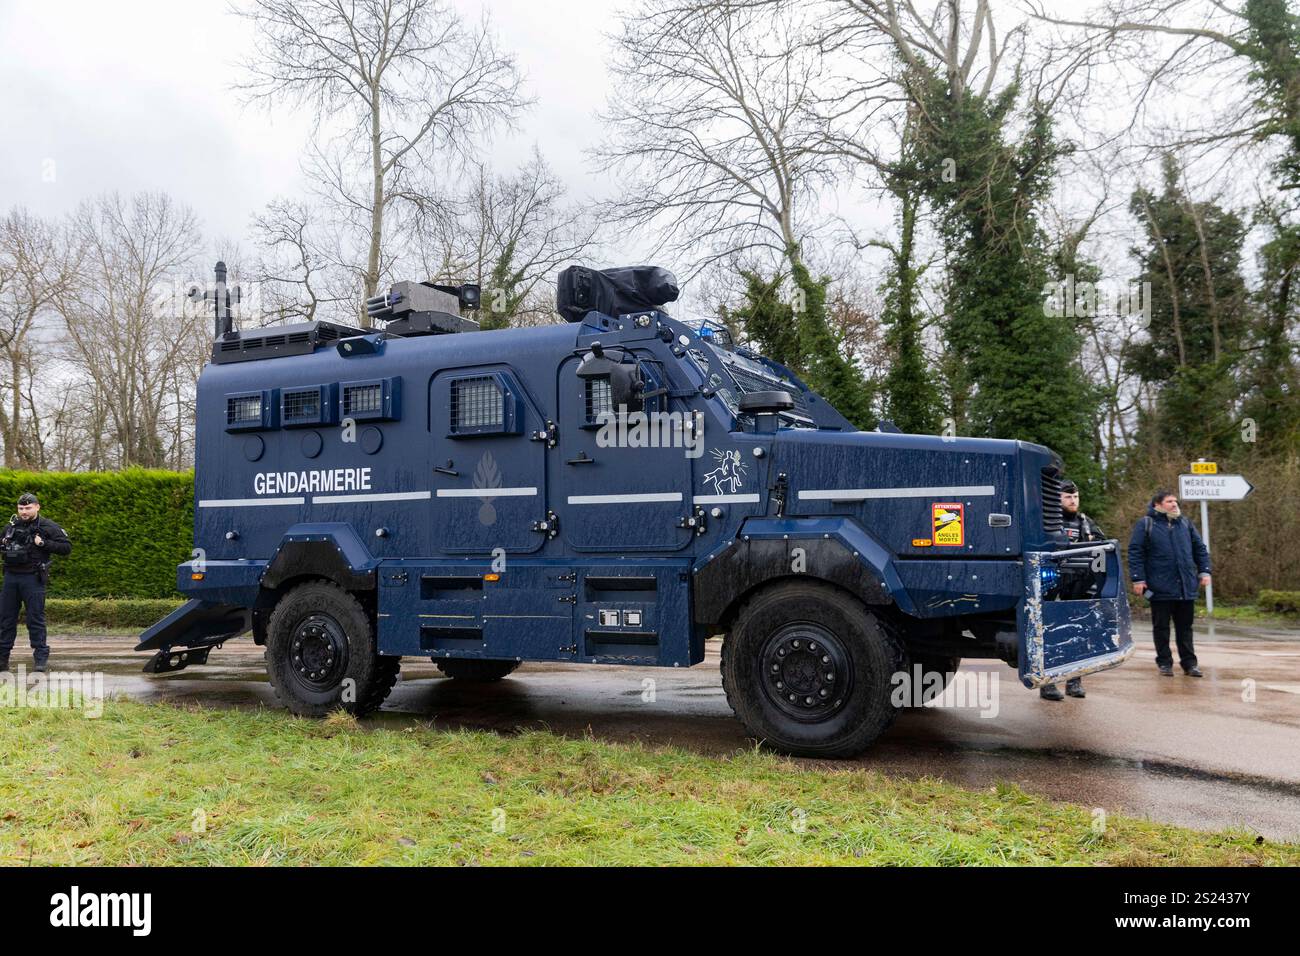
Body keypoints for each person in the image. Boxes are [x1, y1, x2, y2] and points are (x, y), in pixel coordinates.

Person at [1127, 489, 1211, 678]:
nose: (1174, 504)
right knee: (1161, 627)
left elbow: (1200, 549)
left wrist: (1204, 570)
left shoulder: (1186, 524)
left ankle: (1190, 664)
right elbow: (1135, 552)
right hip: (1158, 586)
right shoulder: (1146, 524)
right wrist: (1138, 579)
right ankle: (1165, 663)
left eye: (1175, 501)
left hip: (1185, 586)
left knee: (1185, 628)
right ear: (1157, 505)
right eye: (1169, 501)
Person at [1041, 479, 1105, 702]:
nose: (1073, 500)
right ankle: (1048, 684)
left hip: (1078, 588)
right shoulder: (1048, 522)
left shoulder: (1086, 523)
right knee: (1052, 634)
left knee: (1078, 633)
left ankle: (1074, 681)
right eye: (1068, 497)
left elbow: (1102, 548)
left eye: (1075, 497)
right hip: (1052, 586)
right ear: (1057, 499)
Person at [0, 492, 72, 673]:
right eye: (21, 508)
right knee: (5, 620)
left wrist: (43, 544)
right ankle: (2, 660)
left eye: (28, 508)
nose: (24, 511)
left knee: (35, 620)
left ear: (37, 507)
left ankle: (40, 660)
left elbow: (66, 547)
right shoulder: (11, 526)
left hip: (33, 578)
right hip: (10, 578)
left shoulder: (47, 526)